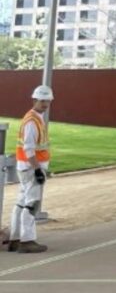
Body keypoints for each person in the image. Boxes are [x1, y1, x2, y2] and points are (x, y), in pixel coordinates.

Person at [8, 85, 54, 254]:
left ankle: (15, 238)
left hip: (26, 167)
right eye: (42, 101)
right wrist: (37, 170)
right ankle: (27, 241)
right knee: (32, 203)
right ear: (34, 100)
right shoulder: (32, 121)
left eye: (48, 101)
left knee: (21, 201)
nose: (45, 104)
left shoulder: (35, 118)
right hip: (31, 168)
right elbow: (29, 149)